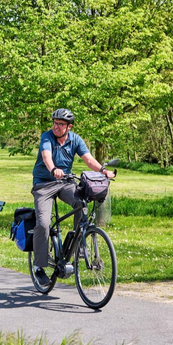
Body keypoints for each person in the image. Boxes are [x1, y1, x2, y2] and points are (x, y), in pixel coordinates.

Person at [31, 108, 115, 287]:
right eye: (55, 123)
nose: (56, 126)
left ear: (69, 127)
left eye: (60, 124)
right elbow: (46, 156)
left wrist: (103, 171)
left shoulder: (75, 139)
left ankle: (79, 246)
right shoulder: (47, 137)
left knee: (82, 202)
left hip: (65, 183)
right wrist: (53, 169)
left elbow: (88, 159)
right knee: (43, 223)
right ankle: (39, 266)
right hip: (43, 185)